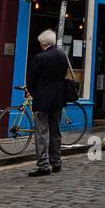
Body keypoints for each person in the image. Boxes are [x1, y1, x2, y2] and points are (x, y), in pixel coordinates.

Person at [26, 29, 74, 176]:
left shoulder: (40, 58)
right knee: (55, 131)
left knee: (41, 133)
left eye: (40, 43)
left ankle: (43, 165)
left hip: (42, 100)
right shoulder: (62, 55)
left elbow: (31, 80)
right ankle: (56, 161)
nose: (40, 45)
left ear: (44, 43)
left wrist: (35, 94)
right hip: (58, 99)